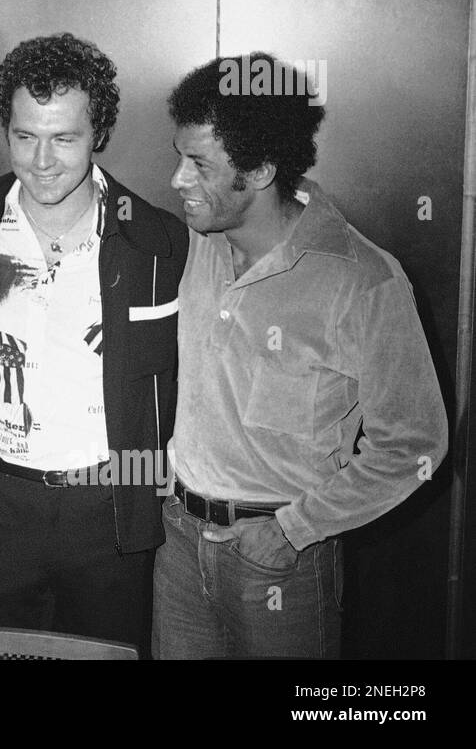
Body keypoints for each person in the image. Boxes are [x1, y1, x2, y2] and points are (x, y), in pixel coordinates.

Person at [155, 53, 449, 658]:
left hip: (280, 562)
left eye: (199, 164)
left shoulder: (363, 281)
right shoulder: (188, 245)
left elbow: (415, 442)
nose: (178, 180)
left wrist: (294, 531)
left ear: (260, 170)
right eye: (179, 156)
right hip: (177, 543)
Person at [0, 33, 187, 653]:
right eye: (25, 136)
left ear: (98, 133)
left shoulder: (155, 241)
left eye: (64, 138)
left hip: (108, 513)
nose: (42, 160)